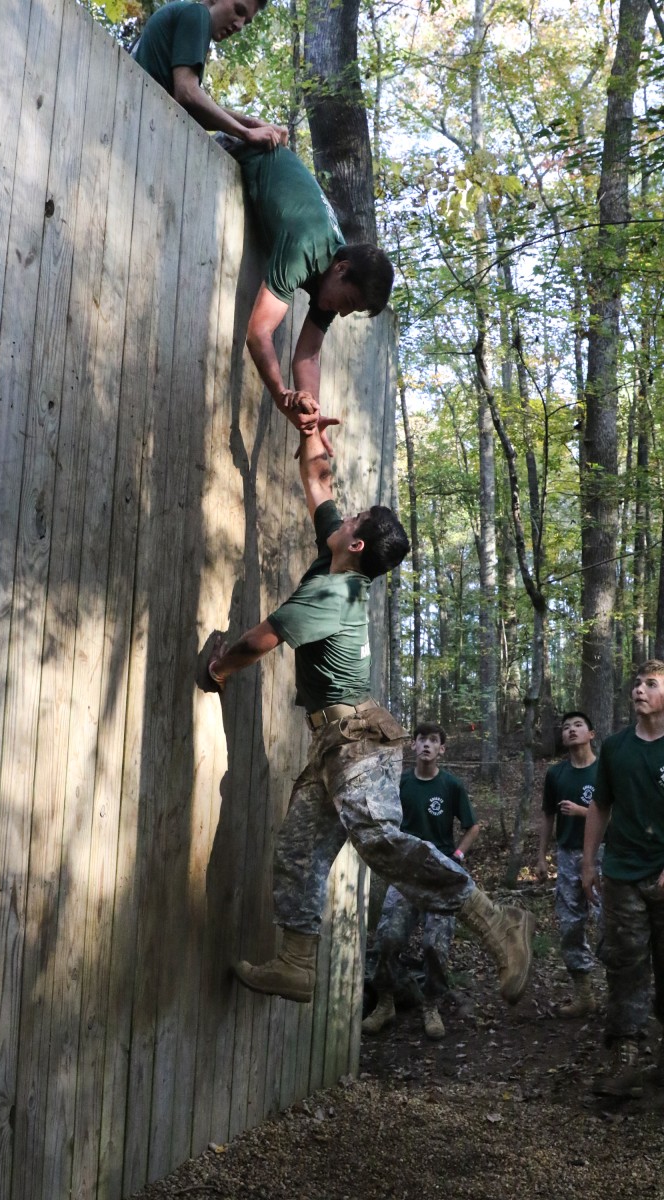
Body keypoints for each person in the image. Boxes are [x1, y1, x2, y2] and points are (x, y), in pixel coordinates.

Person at [198, 424, 534, 1010]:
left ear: (355, 545)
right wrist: (309, 429)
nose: (344, 516)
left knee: (379, 840)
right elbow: (317, 479)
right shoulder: (341, 560)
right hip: (334, 744)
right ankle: (297, 962)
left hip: (359, 742)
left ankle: (494, 920)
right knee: (299, 850)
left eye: (353, 520)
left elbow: (261, 640)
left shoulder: (334, 595)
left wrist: (218, 670)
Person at [226, 144, 394, 444]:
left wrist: (311, 418)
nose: (341, 312)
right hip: (241, 148)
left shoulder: (331, 280)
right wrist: (281, 396)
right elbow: (258, 332)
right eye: (349, 303)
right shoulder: (305, 246)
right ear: (341, 269)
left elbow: (307, 356)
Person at [361, 722, 480, 1041]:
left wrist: (458, 855)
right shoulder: (400, 784)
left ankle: (431, 1005)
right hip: (405, 874)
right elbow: (381, 820)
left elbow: (472, 826)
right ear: (413, 746)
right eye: (421, 739)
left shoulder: (451, 786)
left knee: (434, 945)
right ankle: (385, 1003)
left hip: (441, 877)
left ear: (442, 749)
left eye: (433, 740)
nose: (426, 745)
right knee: (388, 938)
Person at [582, 661, 664, 1099]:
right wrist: (588, 864)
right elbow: (600, 806)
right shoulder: (614, 747)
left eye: (651, 684)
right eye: (637, 683)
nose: (639, 690)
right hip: (622, 875)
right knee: (626, 963)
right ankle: (626, 1056)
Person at [133, 0, 286, 149]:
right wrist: (245, 133)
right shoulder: (197, 13)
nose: (239, 26)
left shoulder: (184, 14)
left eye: (245, 22)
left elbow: (193, 110)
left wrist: (253, 124)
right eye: (239, 10)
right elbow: (186, 93)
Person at [535, 710, 601, 1019]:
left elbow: (620, 814)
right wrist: (541, 856)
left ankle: (619, 993)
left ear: (591, 734)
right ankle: (584, 993)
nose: (571, 730)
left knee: (608, 926)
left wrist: (583, 812)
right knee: (570, 926)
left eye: (578, 725)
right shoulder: (556, 774)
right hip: (567, 855)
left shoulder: (605, 770)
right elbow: (548, 815)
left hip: (604, 855)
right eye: (566, 727)